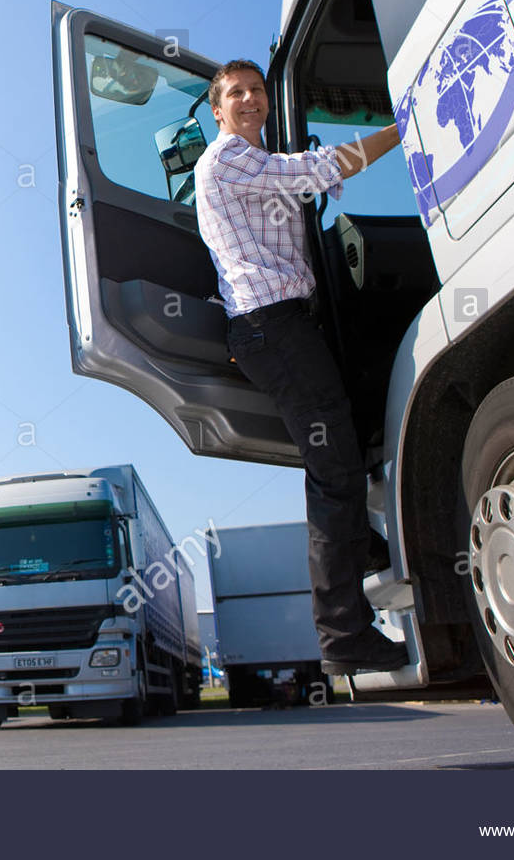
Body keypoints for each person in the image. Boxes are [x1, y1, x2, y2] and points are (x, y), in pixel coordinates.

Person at [193, 58, 407, 675]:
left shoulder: (256, 165)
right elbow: (317, 171)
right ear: (217, 110)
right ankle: (344, 636)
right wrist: (403, 129)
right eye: (237, 93)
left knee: (340, 450)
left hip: (285, 325)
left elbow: (306, 181)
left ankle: (363, 549)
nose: (251, 100)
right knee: (334, 470)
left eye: (257, 90)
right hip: (272, 326)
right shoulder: (229, 158)